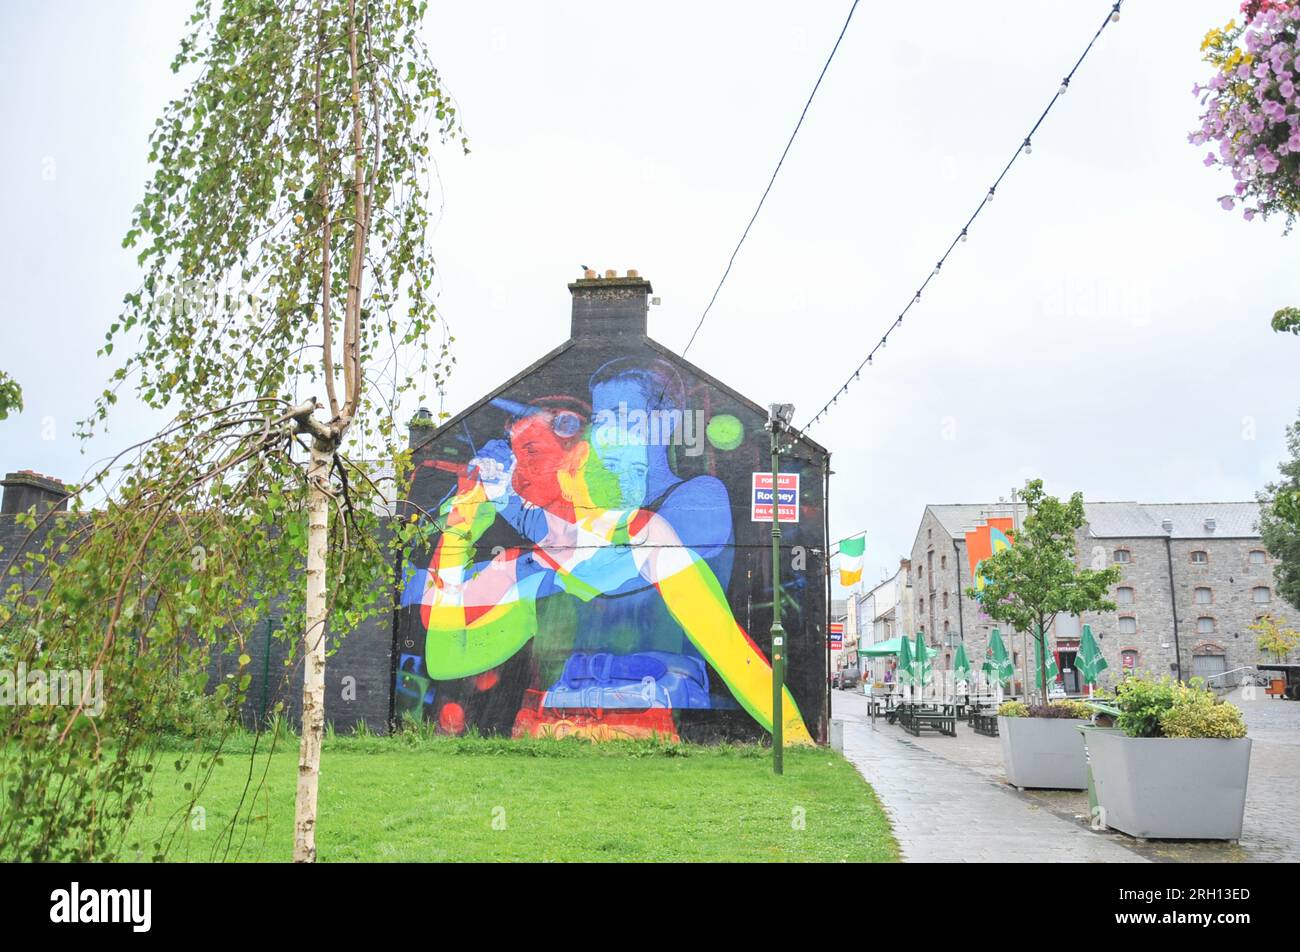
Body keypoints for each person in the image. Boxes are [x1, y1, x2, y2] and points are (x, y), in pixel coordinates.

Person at [402, 365, 812, 744]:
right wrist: (458, 531)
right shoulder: (534, 570)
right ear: (570, 475)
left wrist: (799, 741)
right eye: (608, 460)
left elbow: (736, 657)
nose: (626, 483)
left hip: (647, 735)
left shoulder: (659, 536)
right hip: (549, 747)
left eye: (636, 469)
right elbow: (445, 659)